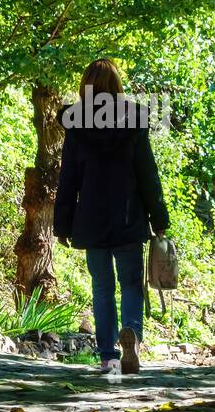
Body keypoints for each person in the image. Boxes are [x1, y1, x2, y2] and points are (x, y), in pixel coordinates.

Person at [54, 58, 169, 375]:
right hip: (128, 219)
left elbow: (68, 179)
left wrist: (62, 223)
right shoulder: (132, 121)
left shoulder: (77, 125)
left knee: (102, 287)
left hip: (90, 221)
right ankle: (131, 335)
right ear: (116, 87)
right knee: (131, 283)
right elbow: (148, 175)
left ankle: (108, 355)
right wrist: (159, 218)